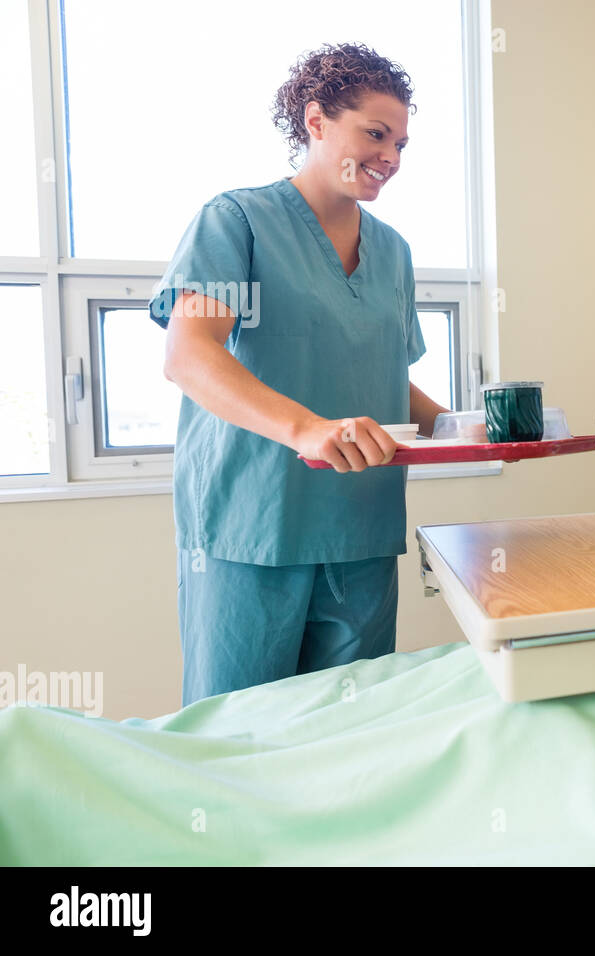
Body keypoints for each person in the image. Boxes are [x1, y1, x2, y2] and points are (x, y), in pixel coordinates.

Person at [149, 43, 451, 706]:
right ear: (316, 122)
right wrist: (306, 429)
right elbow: (189, 354)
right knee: (240, 734)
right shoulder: (236, 222)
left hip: (361, 530)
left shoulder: (393, 252)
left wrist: (476, 429)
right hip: (252, 525)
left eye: (401, 143)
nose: (391, 158)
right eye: (375, 134)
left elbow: (381, 379)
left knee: (347, 733)